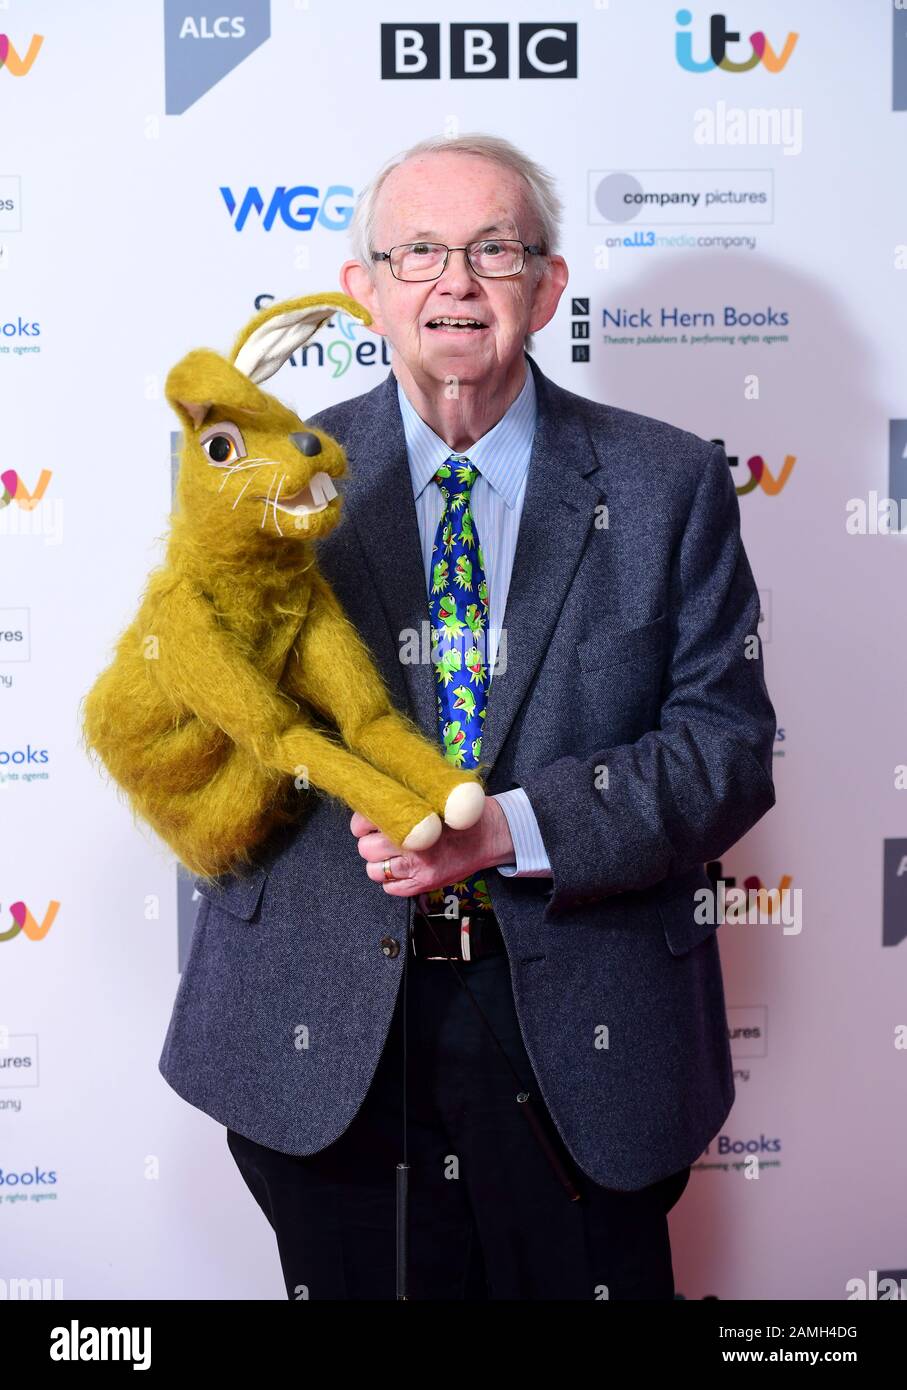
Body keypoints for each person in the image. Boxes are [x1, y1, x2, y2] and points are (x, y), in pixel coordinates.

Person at [158, 132, 777, 1300]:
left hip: (583, 1038)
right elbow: (198, 739)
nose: (455, 280)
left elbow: (727, 753)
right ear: (367, 291)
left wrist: (508, 828)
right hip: (331, 1031)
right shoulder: (260, 486)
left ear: (544, 287)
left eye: (493, 249)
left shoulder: (666, 485)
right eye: (420, 251)